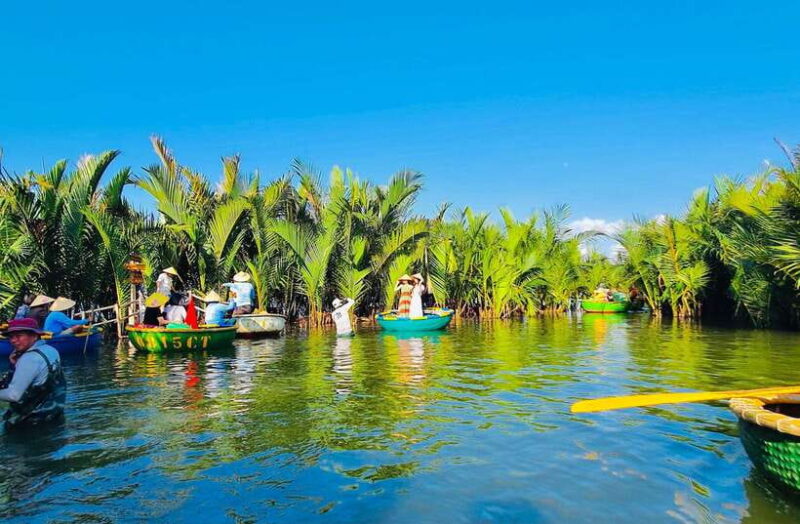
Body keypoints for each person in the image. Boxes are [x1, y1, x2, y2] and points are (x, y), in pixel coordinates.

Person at [0, 318, 66, 428]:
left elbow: (14, 395)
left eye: (19, 336)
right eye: (11, 336)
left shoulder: (29, 359)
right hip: (53, 414)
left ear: (34, 336)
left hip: (30, 422)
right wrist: (13, 365)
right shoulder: (50, 350)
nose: (13, 340)